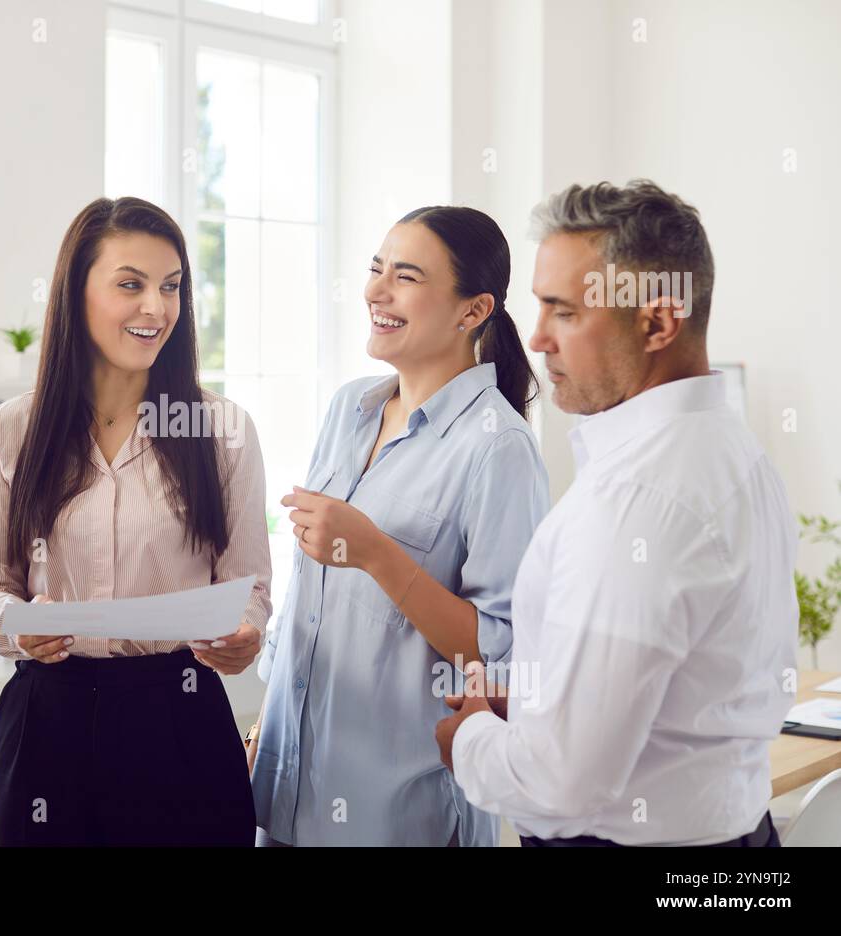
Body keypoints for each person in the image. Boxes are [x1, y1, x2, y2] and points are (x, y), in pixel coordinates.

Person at [437, 180, 797, 847]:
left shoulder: (636, 500)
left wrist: (471, 738)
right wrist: (545, 700)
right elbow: (682, 690)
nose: (536, 338)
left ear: (658, 322)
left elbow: (561, 787)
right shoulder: (737, 452)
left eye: (563, 311)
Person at [0, 196, 272, 846]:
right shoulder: (13, 431)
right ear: (77, 294)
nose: (155, 308)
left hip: (178, 714)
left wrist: (245, 636)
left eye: (171, 287)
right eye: (130, 285)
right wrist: (18, 626)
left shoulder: (222, 432)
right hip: (49, 718)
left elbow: (251, 589)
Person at [251, 206, 549, 846]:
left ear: (473, 311)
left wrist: (377, 554)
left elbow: (501, 658)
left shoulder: (499, 448)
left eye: (406, 277)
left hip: (398, 814)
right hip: (285, 793)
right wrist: (269, 722)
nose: (375, 291)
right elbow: (308, 594)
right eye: (375, 269)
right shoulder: (347, 409)